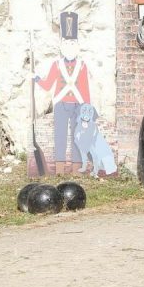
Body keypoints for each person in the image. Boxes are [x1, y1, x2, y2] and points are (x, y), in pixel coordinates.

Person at [35, 11, 90, 173]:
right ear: (62, 46)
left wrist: (87, 111)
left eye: (73, 43)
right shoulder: (56, 65)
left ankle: (75, 167)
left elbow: (86, 90)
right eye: (67, 43)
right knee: (60, 136)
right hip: (60, 104)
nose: (70, 47)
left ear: (77, 46)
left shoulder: (82, 65)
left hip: (78, 105)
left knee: (77, 136)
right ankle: (59, 168)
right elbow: (47, 85)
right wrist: (36, 78)